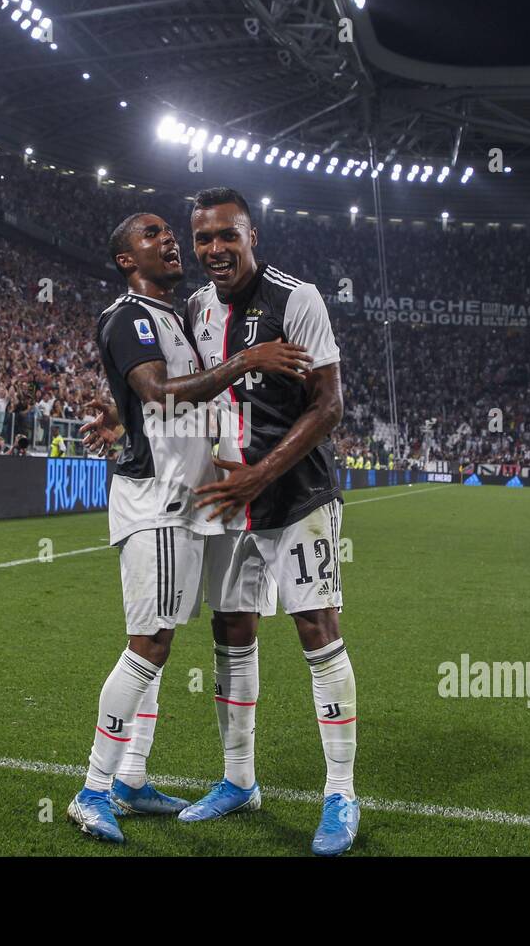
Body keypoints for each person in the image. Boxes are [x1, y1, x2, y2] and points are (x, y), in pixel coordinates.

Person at [65, 211, 311, 844]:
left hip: (189, 501)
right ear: (127, 260)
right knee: (148, 643)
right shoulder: (130, 315)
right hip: (158, 502)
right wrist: (247, 360)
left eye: (167, 232)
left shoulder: (173, 318)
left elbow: (158, 406)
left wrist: (122, 415)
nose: (169, 239)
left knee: (162, 640)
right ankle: (92, 788)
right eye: (151, 235)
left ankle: (131, 778)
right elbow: (161, 394)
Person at [180, 187, 357, 856]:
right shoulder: (195, 309)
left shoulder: (296, 300)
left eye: (228, 235)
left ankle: (339, 792)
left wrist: (263, 471)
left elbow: (329, 405)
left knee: (316, 627)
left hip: (299, 497)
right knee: (231, 630)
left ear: (252, 236)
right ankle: (238, 780)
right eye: (203, 239)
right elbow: (187, 393)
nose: (215, 249)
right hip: (231, 501)